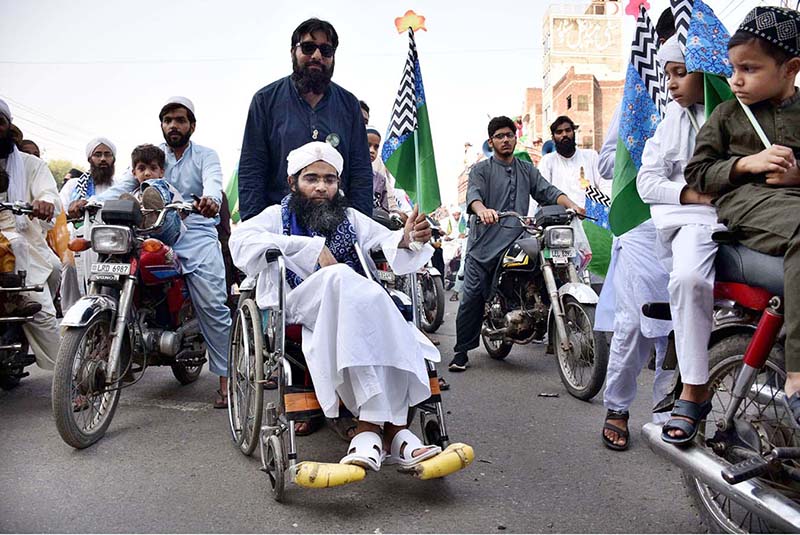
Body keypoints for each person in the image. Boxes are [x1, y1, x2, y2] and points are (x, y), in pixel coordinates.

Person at [230, 141, 441, 470]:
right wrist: (308, 249)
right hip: (297, 303)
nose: (321, 187)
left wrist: (406, 237)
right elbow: (240, 242)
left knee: (366, 300)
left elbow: (385, 240)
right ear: (293, 182)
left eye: (330, 180)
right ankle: (389, 431)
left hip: (351, 306)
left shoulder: (351, 218)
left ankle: (379, 434)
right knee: (349, 285)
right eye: (311, 179)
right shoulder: (275, 216)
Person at [71, 96, 231, 408]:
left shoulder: (206, 155)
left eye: (180, 120)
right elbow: (121, 187)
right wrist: (91, 201)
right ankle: (97, 364)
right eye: (168, 120)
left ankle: (226, 382)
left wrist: (210, 199)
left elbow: (213, 183)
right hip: (150, 230)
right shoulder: (152, 156)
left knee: (212, 303)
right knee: (112, 279)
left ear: (192, 126)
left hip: (196, 231)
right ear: (162, 125)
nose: (174, 125)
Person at [685, 6, 800, 433]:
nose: (736, 79)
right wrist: (746, 164)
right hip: (748, 204)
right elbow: (697, 173)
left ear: (791, 68)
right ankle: (797, 376)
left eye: (749, 69)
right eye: (734, 69)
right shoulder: (728, 115)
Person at [595, 11, 677, 450]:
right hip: (643, 227)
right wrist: (645, 149)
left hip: (692, 224)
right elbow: (607, 163)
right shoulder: (637, 100)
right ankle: (619, 408)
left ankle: (668, 410)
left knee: (685, 326)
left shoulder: (710, 98)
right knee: (635, 326)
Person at [450, 116, 584, 372]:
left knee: (544, 265)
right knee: (472, 297)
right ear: (492, 142)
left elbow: (548, 191)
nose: (505, 140)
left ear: (515, 138)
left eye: (509, 135)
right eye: (499, 136)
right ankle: (461, 351)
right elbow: (474, 196)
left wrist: (572, 206)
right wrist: (482, 210)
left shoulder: (526, 169)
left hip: (517, 237)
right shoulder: (481, 170)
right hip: (484, 243)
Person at [238, 18, 373, 220]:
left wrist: (362, 229)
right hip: (280, 226)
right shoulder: (265, 101)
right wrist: (256, 229)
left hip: (336, 224)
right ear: (293, 51)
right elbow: (252, 170)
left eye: (326, 50)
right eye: (308, 48)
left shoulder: (349, 105)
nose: (317, 56)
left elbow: (361, 173)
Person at [0, 98, 62, 370]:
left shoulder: (30, 165)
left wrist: (44, 202)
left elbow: (50, 194)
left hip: (22, 241)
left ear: (8, 126)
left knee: (42, 314)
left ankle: (71, 381)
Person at [59, 138, 118, 311]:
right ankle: (70, 319)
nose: (103, 159)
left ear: (113, 159)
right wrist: (71, 210)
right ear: (89, 159)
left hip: (108, 242)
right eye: (98, 154)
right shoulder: (74, 185)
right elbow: (59, 211)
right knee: (69, 267)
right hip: (75, 241)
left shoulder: (119, 186)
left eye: (107, 155)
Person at [538, 115, 610, 206]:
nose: (564, 134)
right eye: (559, 132)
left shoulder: (591, 156)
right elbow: (540, 191)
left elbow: (605, 184)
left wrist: (605, 208)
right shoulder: (547, 161)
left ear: (574, 133)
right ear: (553, 138)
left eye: (568, 130)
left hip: (590, 215)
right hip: (560, 216)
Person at [124, 144, 184, 245]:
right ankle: (144, 218)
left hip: (165, 233)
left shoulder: (168, 188)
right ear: (134, 173)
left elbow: (181, 209)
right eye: (142, 169)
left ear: (161, 172)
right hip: (139, 238)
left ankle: (155, 214)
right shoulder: (133, 194)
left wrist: (180, 210)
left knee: (157, 185)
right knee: (125, 203)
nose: (147, 173)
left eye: (153, 168)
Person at [366, 126, 400, 214]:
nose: (372, 150)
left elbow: (386, 210)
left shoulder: (380, 179)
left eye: (376, 147)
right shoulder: (346, 173)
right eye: (367, 145)